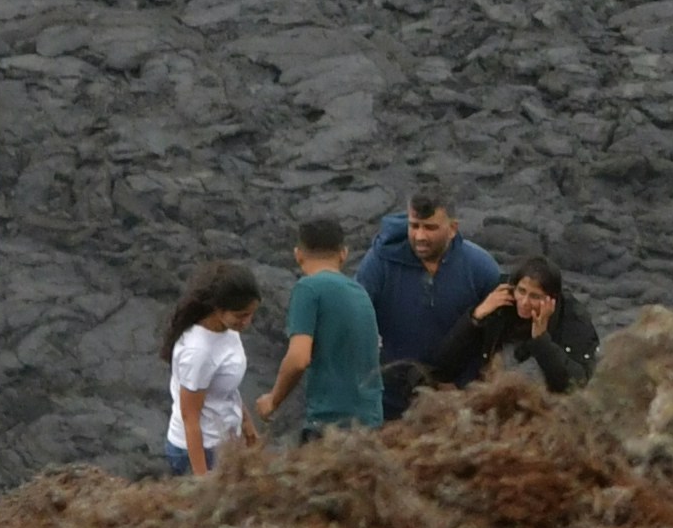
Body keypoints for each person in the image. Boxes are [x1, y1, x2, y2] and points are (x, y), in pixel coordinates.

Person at [358, 180, 501, 414]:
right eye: (414, 226)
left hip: (459, 400)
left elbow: (497, 341)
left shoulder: (480, 268)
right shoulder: (379, 263)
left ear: (453, 228)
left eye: (430, 228)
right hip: (392, 401)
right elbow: (355, 323)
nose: (420, 236)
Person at [253, 218, 387, 443]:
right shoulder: (359, 291)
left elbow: (298, 358)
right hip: (370, 423)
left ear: (298, 254)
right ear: (343, 253)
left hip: (330, 427)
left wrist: (273, 400)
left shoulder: (308, 288)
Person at [428, 253, 602, 395]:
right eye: (521, 291)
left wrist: (542, 341)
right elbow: (442, 368)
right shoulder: (499, 303)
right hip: (494, 393)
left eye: (535, 296)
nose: (525, 302)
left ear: (552, 299)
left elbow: (575, 388)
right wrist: (476, 316)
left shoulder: (574, 322)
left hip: (545, 405)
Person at [163, 264, 263, 480]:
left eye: (251, 314)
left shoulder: (226, 330)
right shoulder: (198, 352)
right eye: (241, 315)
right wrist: (202, 478)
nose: (247, 322)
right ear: (217, 309)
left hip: (224, 442)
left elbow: (225, 387)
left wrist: (246, 423)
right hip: (200, 450)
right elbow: (190, 418)